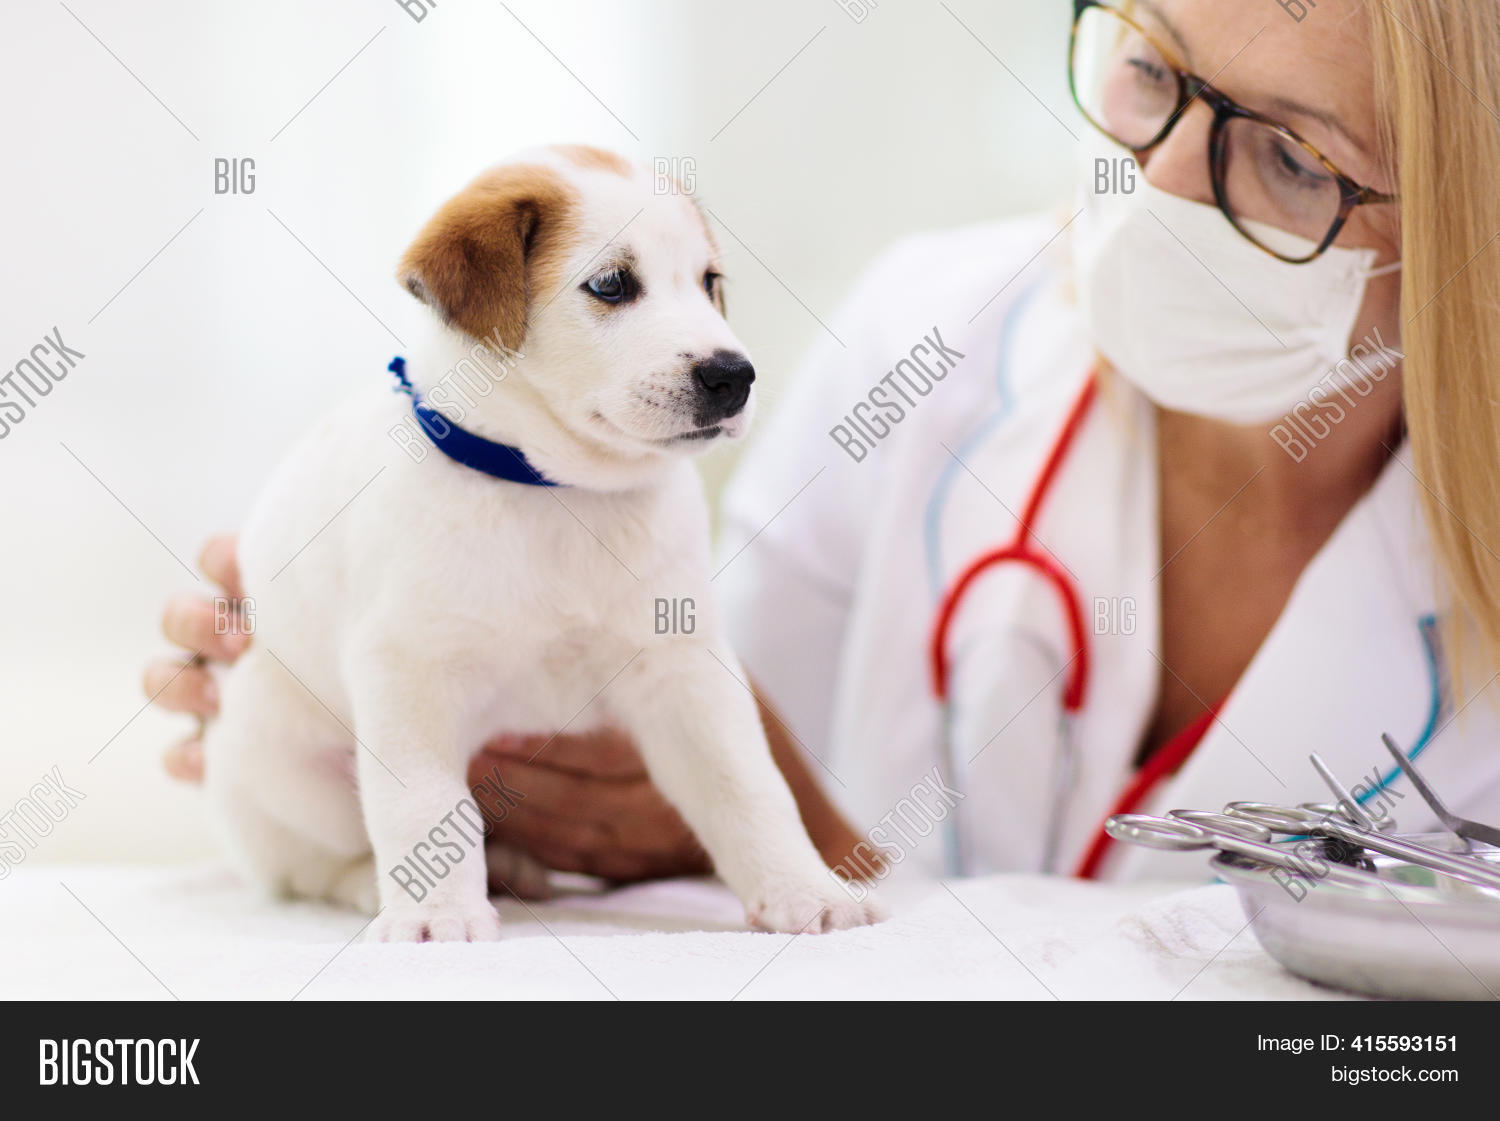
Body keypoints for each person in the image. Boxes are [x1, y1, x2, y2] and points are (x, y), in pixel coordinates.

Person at [145, 0, 1500, 886]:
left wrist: (817, 843)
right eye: (1150, 69)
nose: (1148, 184)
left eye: (1295, 163)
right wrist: (324, 692)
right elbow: (626, 702)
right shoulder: (928, 338)